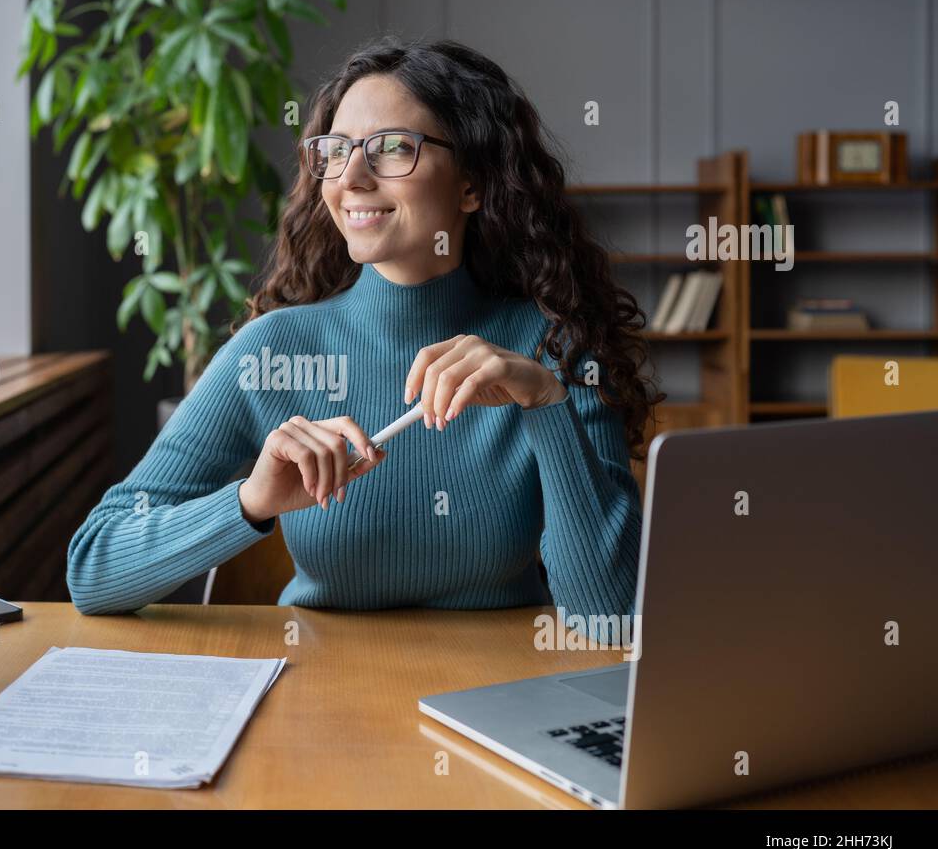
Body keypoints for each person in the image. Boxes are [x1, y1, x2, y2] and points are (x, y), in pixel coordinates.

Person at [66, 37, 660, 635]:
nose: (350, 177)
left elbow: (608, 619)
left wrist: (546, 401)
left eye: (393, 148)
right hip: (319, 698)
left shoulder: (555, 350)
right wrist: (251, 500)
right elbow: (93, 567)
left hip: (498, 698)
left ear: (472, 184)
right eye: (336, 150)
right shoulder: (272, 353)